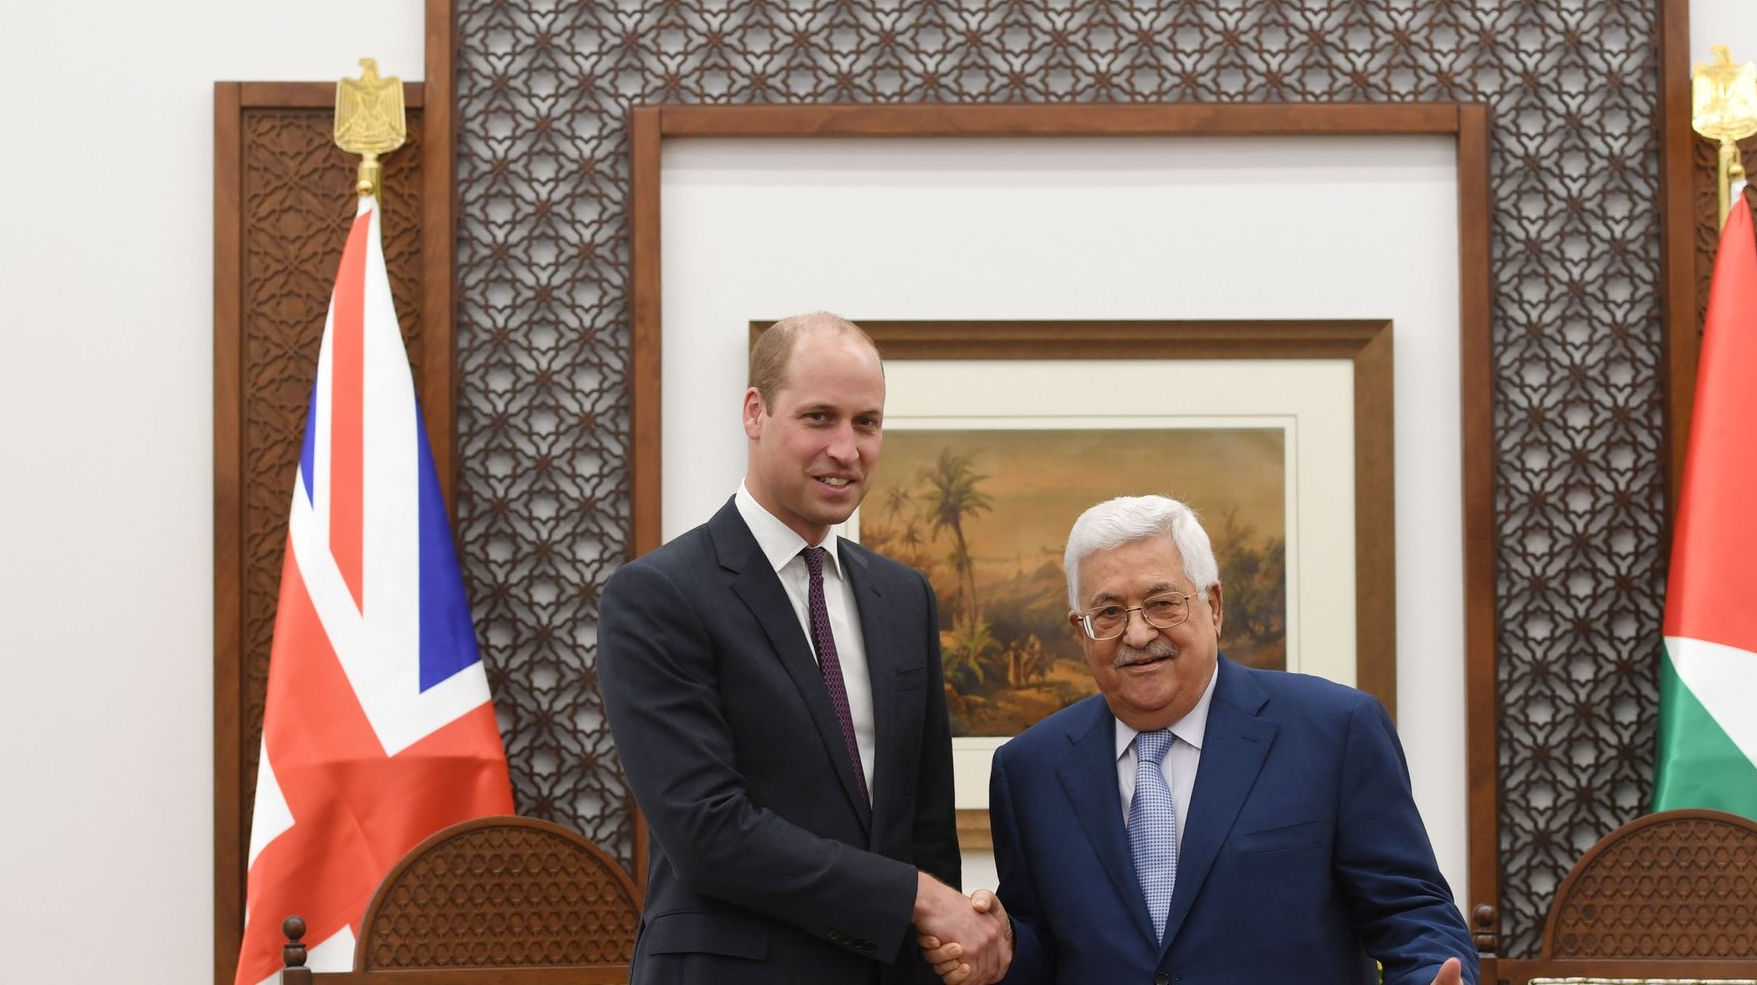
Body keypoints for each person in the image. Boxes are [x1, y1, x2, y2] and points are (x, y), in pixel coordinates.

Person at [599, 313, 1011, 984]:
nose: (847, 449)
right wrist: (917, 896)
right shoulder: (657, 597)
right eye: (820, 418)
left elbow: (927, 827)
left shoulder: (905, 598)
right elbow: (709, 832)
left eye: (867, 423)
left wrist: (959, 936)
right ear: (754, 413)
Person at [926, 494, 1475, 985]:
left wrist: (1430, 977)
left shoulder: (1336, 730)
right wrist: (1006, 948)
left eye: (1163, 603)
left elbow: (1411, 912)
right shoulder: (1028, 770)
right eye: (1110, 612)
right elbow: (1047, 948)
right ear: (1081, 631)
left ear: (1212, 606)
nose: (1138, 634)